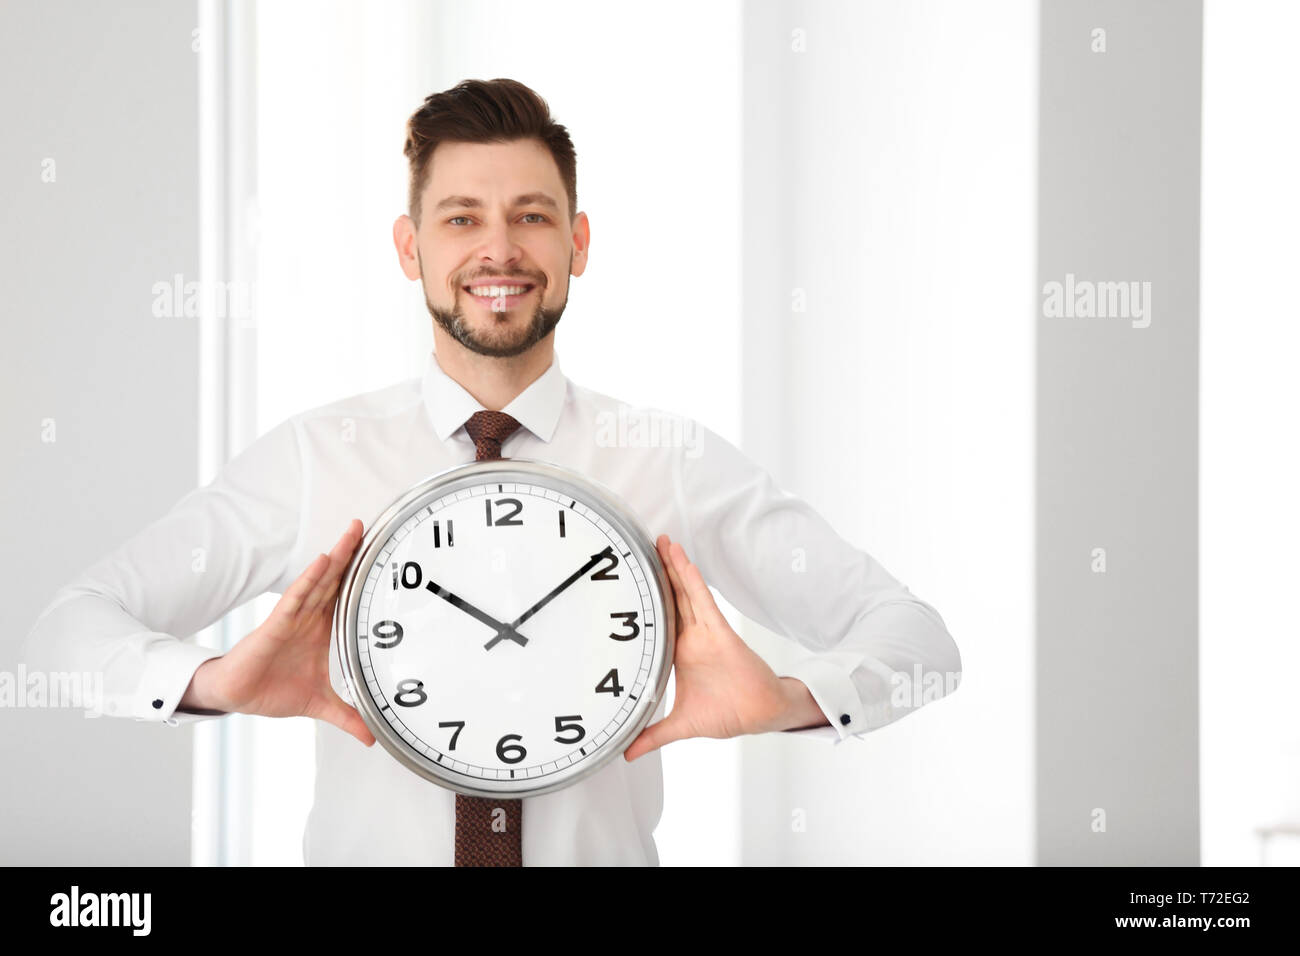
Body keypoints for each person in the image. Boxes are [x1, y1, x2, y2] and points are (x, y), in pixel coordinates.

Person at [23, 78, 962, 866]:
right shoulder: (315, 457)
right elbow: (66, 632)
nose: (498, 250)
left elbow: (919, 641)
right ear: (411, 247)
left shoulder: (671, 458)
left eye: (532, 216)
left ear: (577, 244)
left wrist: (790, 704)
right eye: (462, 217)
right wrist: (210, 682)